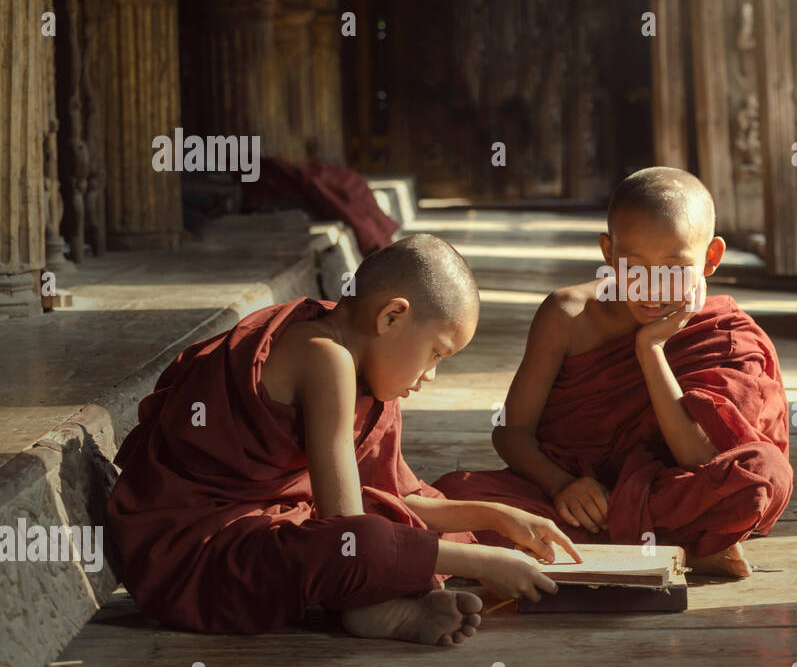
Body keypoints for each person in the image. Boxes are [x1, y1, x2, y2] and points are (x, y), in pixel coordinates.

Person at [107, 234, 578, 644]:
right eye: (436, 353)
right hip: (194, 555)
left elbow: (398, 495)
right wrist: (482, 563)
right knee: (374, 541)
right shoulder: (324, 357)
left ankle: (362, 605)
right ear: (393, 316)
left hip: (268, 521)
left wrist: (499, 516)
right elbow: (348, 529)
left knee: (407, 515)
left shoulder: (364, 370)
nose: (432, 375)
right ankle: (364, 603)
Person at [436, 167, 793, 577]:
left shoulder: (724, 333)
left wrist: (650, 347)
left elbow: (700, 457)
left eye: (674, 268)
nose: (652, 287)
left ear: (711, 257)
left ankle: (587, 546)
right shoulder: (568, 315)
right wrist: (561, 485)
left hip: (665, 490)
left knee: (761, 475)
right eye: (633, 266)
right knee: (451, 495)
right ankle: (680, 549)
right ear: (608, 253)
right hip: (572, 499)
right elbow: (511, 432)